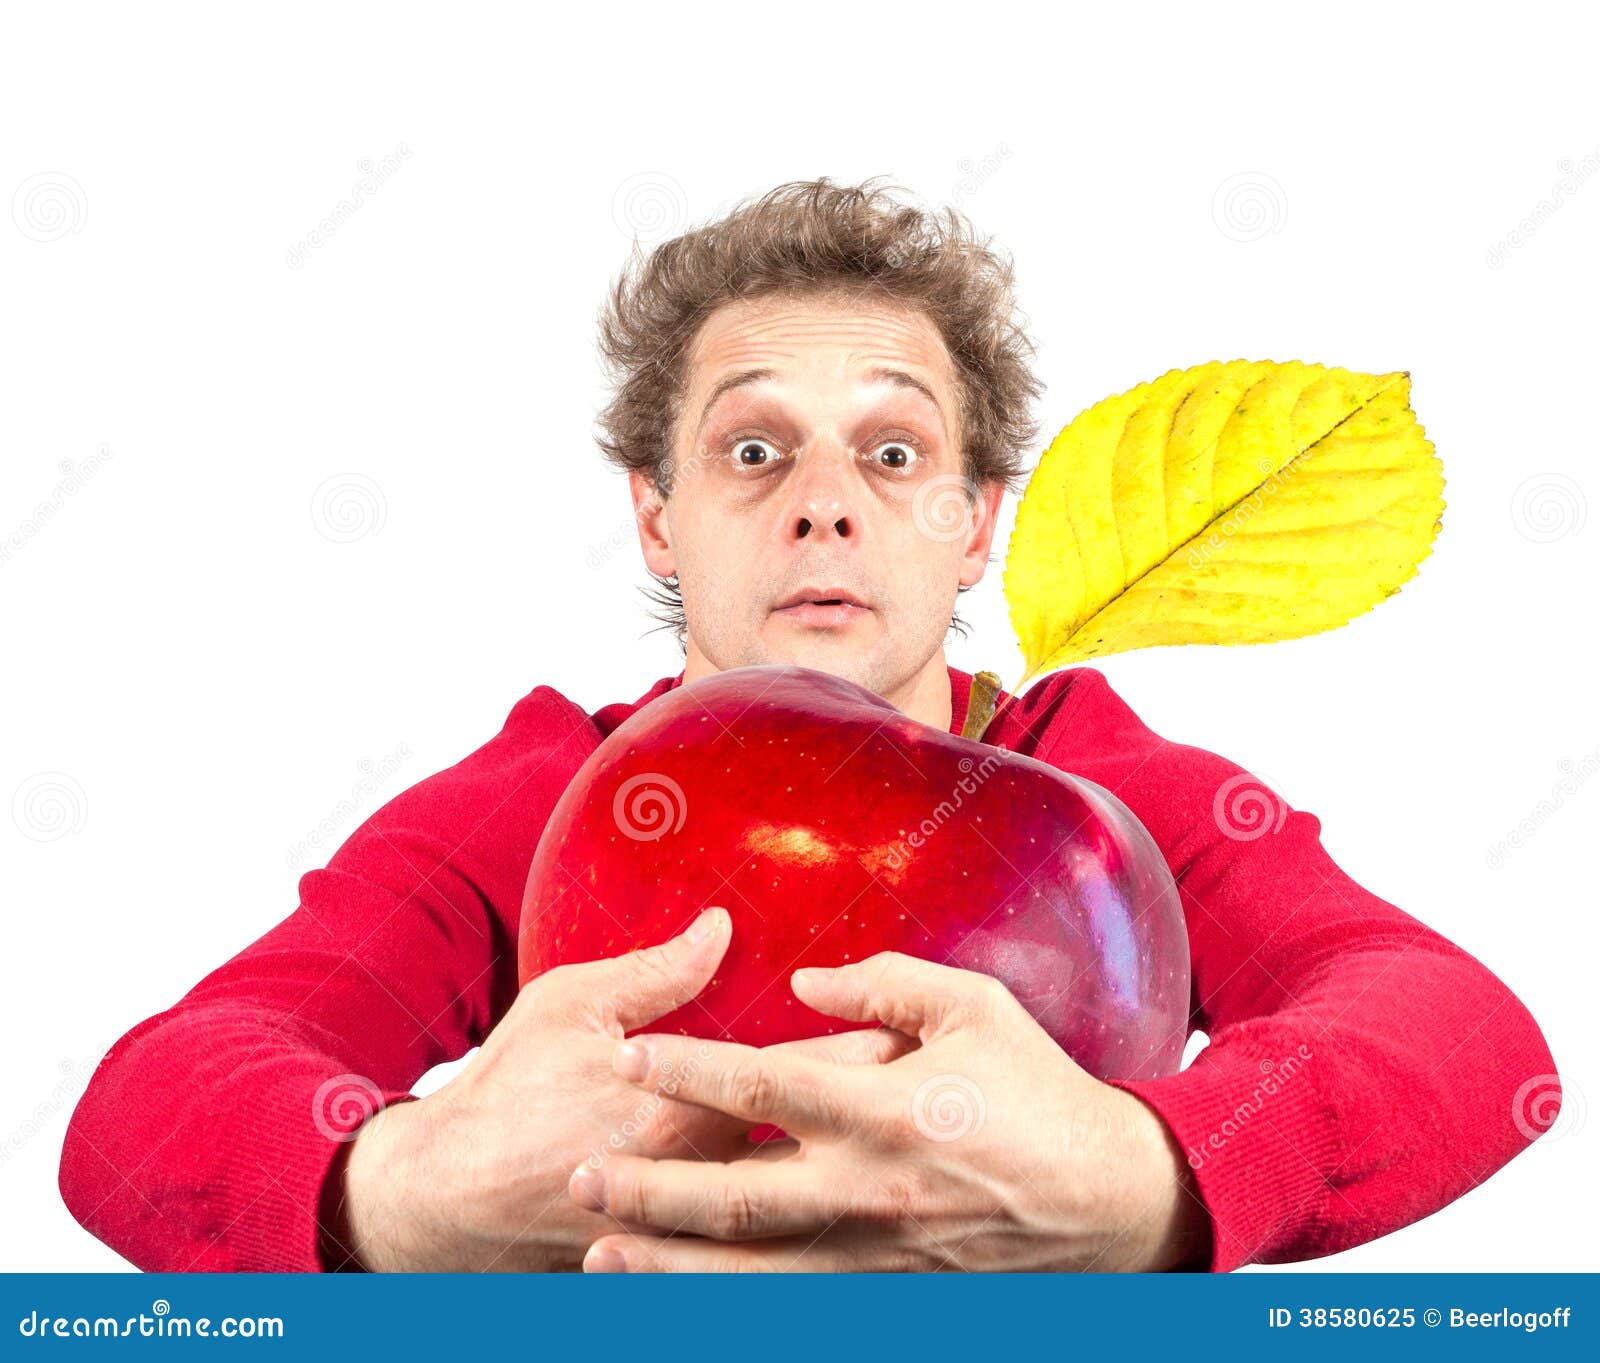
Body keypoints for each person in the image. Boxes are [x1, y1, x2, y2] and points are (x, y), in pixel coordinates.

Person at [59, 177, 1562, 1274]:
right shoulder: (562, 791)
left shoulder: (1096, 789)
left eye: (893, 450)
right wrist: (391, 1193)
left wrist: (1154, 1176)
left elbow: (1461, 1032)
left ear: (976, 528)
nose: (825, 499)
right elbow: (154, 1097)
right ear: (657, 520)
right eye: (754, 448)